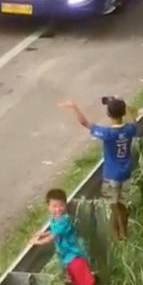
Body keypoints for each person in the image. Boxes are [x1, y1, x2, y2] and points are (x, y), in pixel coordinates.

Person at [59, 97, 136, 239]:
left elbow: (85, 123)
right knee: (122, 206)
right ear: (123, 112)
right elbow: (133, 119)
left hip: (111, 175)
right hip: (126, 174)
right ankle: (125, 232)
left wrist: (74, 107)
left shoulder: (107, 133)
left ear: (108, 114)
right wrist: (124, 104)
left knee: (113, 208)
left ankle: (117, 237)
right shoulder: (130, 129)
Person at [32, 188, 98, 285]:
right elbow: (52, 231)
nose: (58, 209)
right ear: (48, 207)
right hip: (68, 260)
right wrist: (42, 234)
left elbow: (52, 238)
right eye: (54, 206)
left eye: (61, 205)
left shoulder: (64, 220)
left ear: (65, 205)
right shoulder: (55, 219)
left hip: (75, 260)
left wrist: (36, 241)